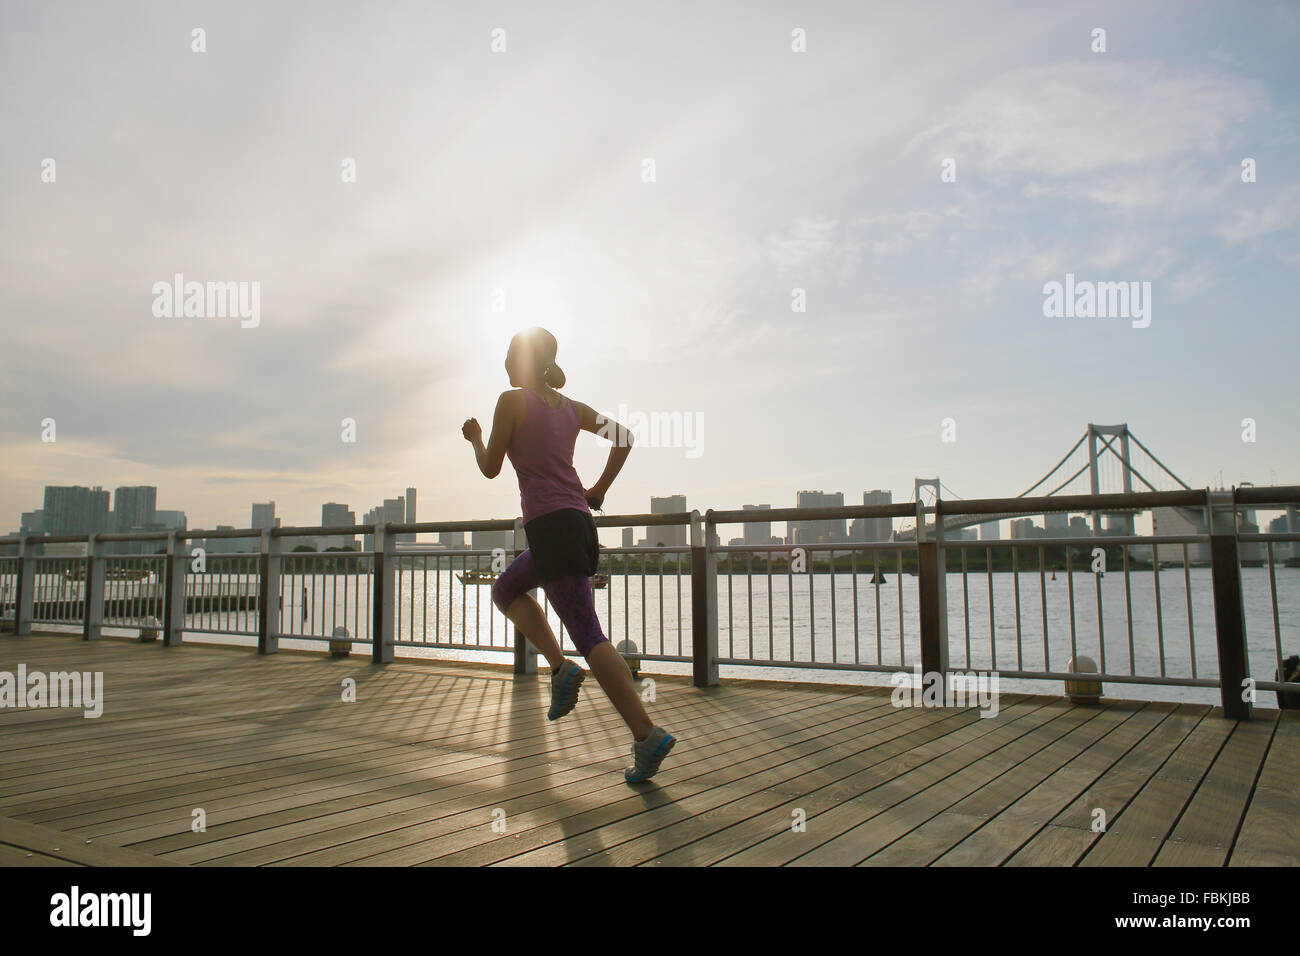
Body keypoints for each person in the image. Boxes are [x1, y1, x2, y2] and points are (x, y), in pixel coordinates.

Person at [461, 327, 675, 783]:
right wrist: (596, 490)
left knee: (589, 634)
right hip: (575, 524)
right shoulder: (571, 407)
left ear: (525, 360)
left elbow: (491, 467)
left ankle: (646, 734)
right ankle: (560, 669)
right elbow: (624, 437)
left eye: (509, 353)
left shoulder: (511, 401)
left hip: (551, 526)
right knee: (506, 590)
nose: (504, 360)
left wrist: (475, 438)